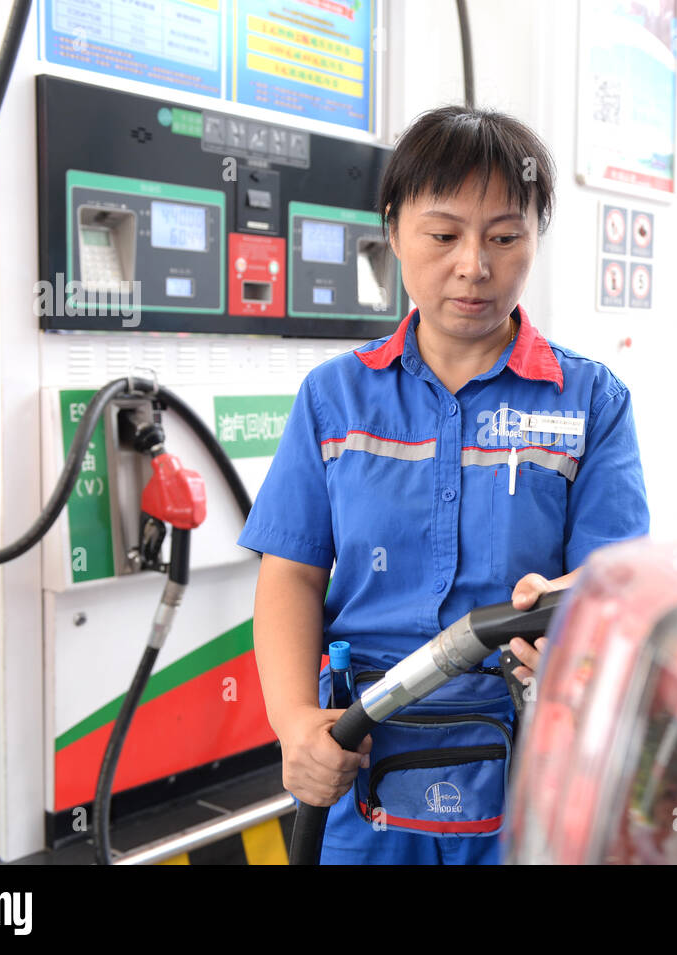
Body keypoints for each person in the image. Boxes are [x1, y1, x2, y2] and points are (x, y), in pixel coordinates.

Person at [236, 105, 650, 864]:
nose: (474, 265)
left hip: (529, 759)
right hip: (362, 758)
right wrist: (296, 721)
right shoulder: (335, 398)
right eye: (443, 234)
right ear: (393, 231)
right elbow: (291, 572)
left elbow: (615, 581)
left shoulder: (590, 402)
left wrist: (567, 616)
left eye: (503, 236)